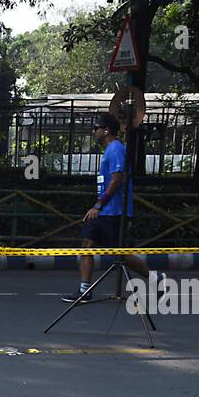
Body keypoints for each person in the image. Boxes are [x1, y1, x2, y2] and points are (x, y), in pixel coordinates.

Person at [62, 112, 155, 304]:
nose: (94, 132)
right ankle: (84, 290)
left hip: (114, 210)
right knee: (87, 246)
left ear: (106, 130)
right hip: (104, 211)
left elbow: (117, 179)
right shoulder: (110, 150)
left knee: (118, 253)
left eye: (96, 128)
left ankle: (156, 279)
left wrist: (99, 204)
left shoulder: (116, 149)